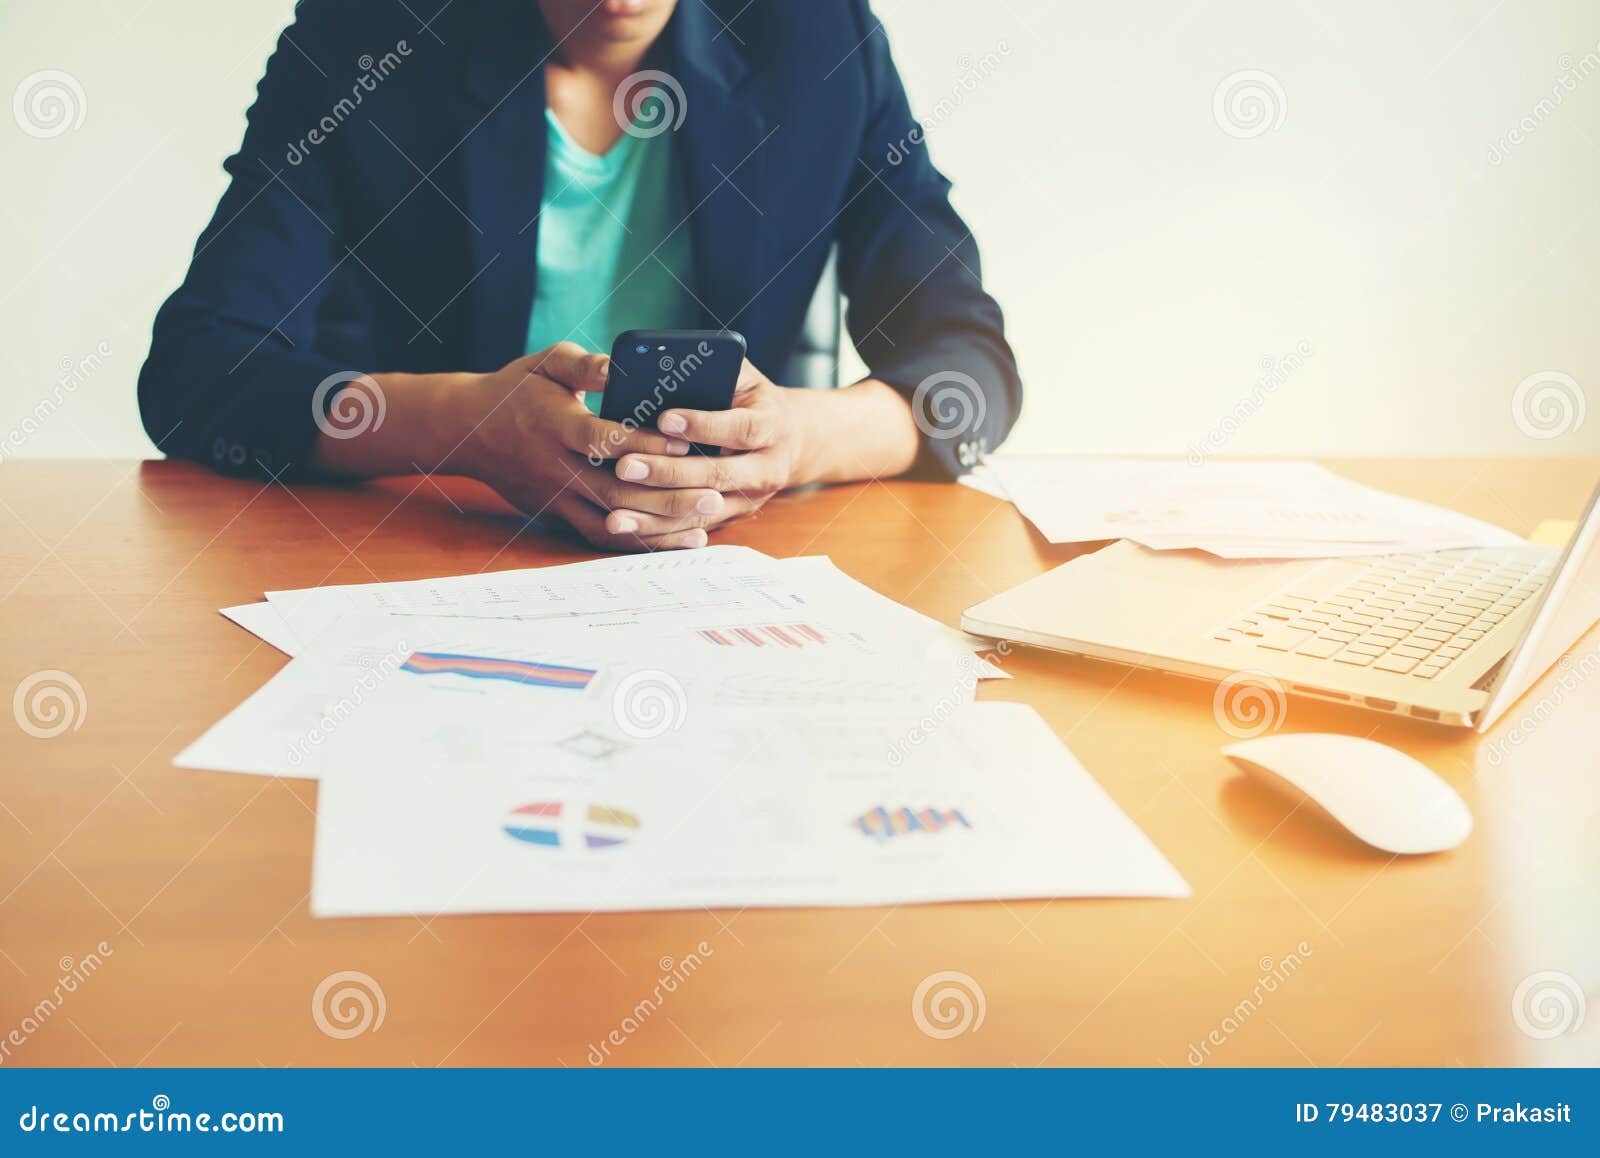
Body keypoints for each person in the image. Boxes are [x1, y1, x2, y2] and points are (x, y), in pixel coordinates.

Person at [138, 0, 1021, 550]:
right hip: (417, 558)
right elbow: (197, 373)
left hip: (727, 579)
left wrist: (796, 441)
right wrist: (459, 424)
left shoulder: (820, 36)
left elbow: (970, 371)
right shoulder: (365, 37)